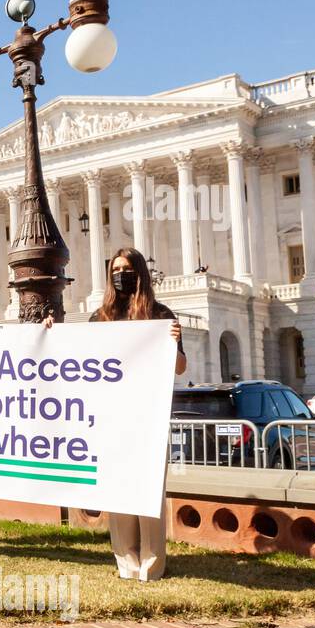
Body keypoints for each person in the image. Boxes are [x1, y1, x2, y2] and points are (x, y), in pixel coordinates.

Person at [89, 247, 187, 581]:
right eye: (115, 268)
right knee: (118, 488)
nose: (120, 274)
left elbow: (179, 368)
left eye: (127, 268)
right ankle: (126, 561)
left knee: (147, 490)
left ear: (140, 272)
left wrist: (173, 342)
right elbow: (77, 356)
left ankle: (152, 562)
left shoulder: (159, 315)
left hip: (148, 416)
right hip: (113, 416)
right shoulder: (99, 318)